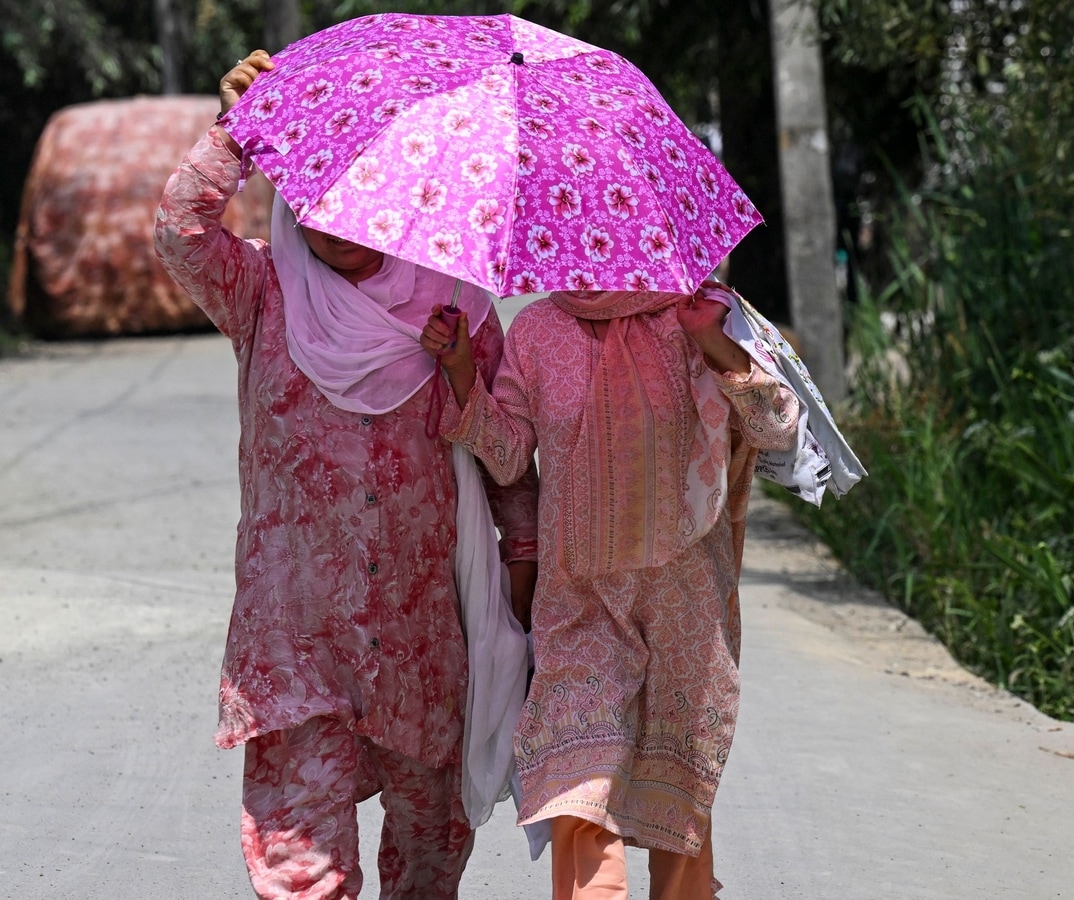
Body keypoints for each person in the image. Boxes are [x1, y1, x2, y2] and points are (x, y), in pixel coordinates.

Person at [153, 51, 540, 900]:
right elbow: (180, 226)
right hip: (297, 639)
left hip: (425, 639)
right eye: (312, 197)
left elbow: (510, 463)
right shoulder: (262, 289)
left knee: (431, 858)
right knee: (302, 871)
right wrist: (239, 131)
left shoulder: (456, 309)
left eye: (356, 199)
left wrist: (524, 575)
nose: (330, 221)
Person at [420, 285, 800, 899]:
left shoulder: (699, 313)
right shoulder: (540, 330)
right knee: (580, 788)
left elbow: (779, 428)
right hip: (580, 603)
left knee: (681, 806)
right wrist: (463, 372)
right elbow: (511, 458)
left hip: (686, 609)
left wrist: (714, 344)